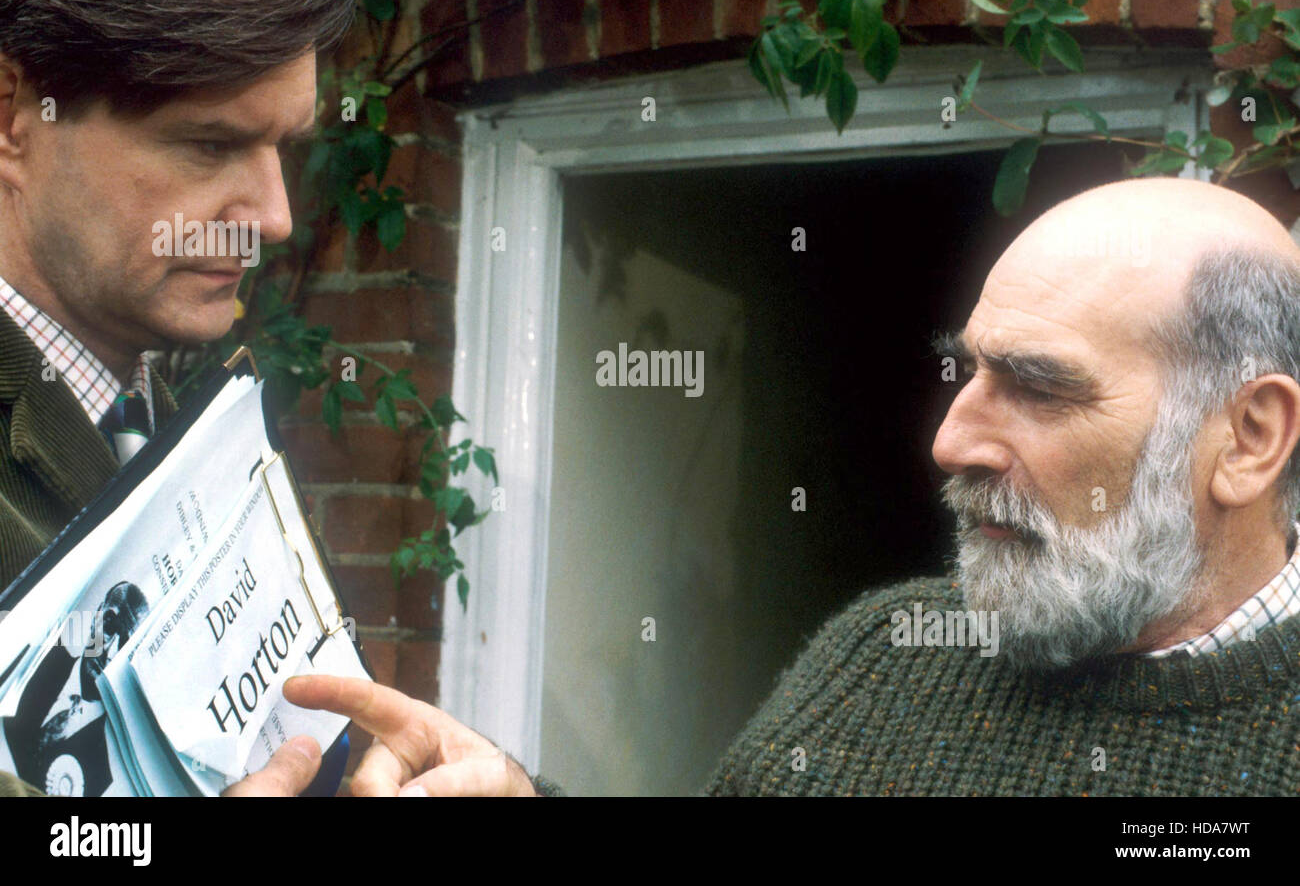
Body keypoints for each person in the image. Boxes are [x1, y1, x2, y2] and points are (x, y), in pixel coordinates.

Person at [240, 176, 1300, 796]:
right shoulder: (878, 657)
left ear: (1248, 439)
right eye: (968, 371)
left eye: (1037, 388)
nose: (950, 440)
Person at [0, 0, 358, 796]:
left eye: (281, 148)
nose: (273, 219)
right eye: (209, 144)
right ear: (14, 116)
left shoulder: (196, 437)